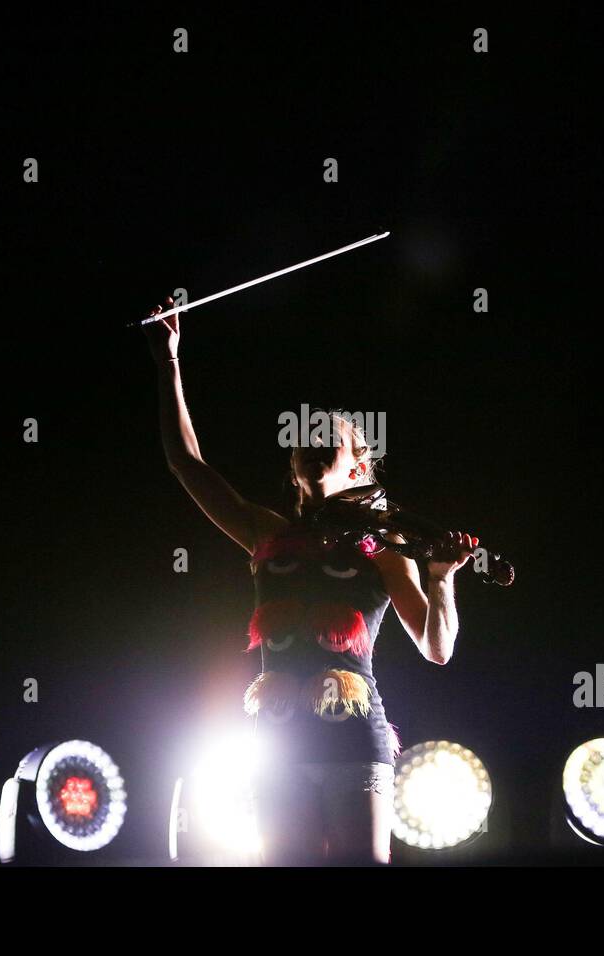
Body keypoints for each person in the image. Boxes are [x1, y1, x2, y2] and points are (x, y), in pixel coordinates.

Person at [143, 296, 477, 864]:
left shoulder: (384, 544)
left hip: (354, 735)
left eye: (332, 439)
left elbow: (438, 649)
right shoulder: (264, 531)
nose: (317, 443)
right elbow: (185, 463)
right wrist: (168, 362)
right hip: (278, 737)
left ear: (357, 464)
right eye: (306, 440)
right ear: (294, 465)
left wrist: (442, 578)